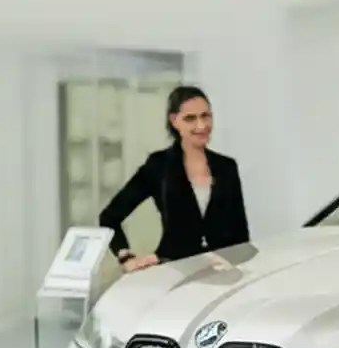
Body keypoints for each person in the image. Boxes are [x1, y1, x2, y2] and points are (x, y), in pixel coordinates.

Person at [99, 85, 250, 272]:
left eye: (205, 116)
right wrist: (126, 258)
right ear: (174, 121)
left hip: (223, 277)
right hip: (174, 275)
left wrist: (232, 263)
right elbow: (109, 217)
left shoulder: (226, 167)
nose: (201, 126)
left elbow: (241, 237)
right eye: (190, 118)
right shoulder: (159, 166)